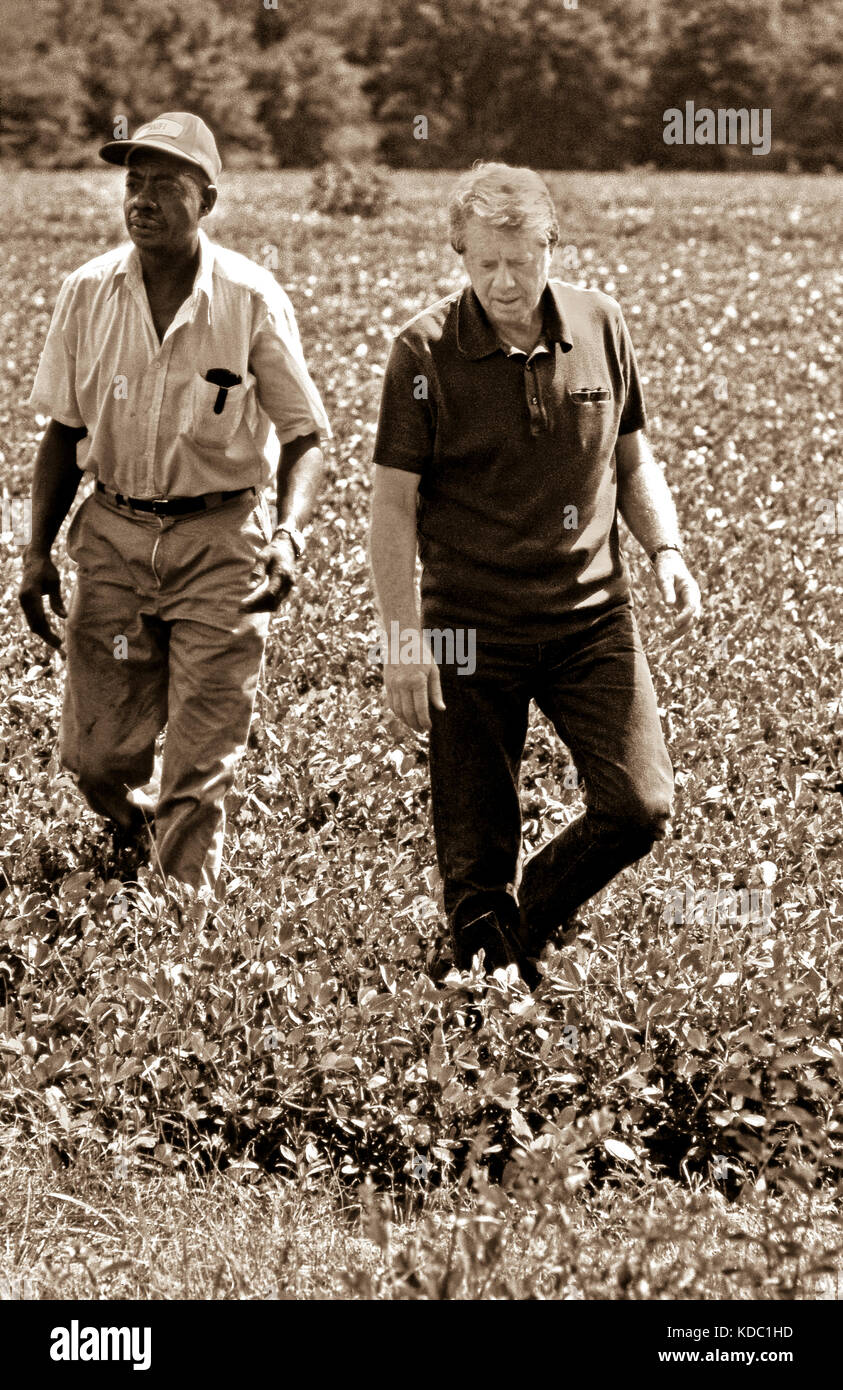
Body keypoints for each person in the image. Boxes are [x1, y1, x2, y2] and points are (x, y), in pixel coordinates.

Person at [369, 162, 701, 982]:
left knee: (639, 806)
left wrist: (665, 549)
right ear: (459, 254)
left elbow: (631, 458)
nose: (504, 281)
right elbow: (391, 508)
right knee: (475, 849)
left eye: (520, 259)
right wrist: (403, 642)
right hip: (468, 630)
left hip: (591, 619)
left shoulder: (600, 323)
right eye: (484, 263)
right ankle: (485, 970)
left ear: (551, 244)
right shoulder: (422, 349)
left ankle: (524, 920)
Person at [19, 112, 330, 890]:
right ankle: (137, 827)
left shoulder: (250, 299)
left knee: (201, 758)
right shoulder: (86, 293)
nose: (143, 199)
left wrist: (288, 537)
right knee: (94, 760)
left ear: (208, 200)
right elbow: (62, 431)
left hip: (222, 545)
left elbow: (305, 435)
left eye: (165, 183)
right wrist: (35, 553)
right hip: (115, 538)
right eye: (133, 182)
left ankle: (179, 930)